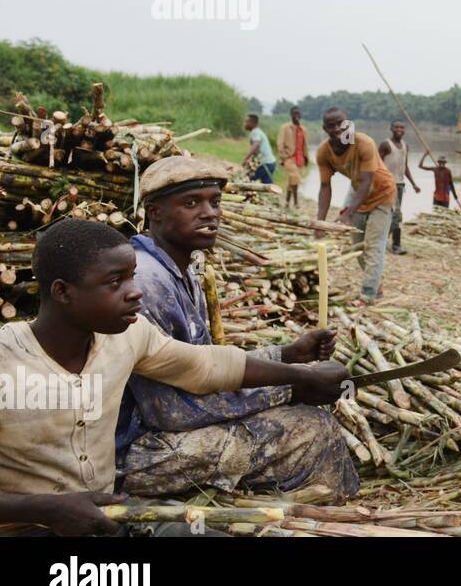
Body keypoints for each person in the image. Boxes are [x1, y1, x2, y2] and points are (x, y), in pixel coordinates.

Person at [0, 218, 350, 536]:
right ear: (63, 293)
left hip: (109, 517)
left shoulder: (127, 337)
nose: (134, 290)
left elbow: (205, 367)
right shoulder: (5, 359)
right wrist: (45, 508)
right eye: (115, 281)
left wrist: (298, 373)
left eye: (132, 275)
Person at [115, 157, 360, 501]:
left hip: (160, 431)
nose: (209, 213)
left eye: (214, 202)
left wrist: (287, 355)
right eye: (191, 203)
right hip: (134, 455)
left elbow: (208, 364)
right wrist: (292, 386)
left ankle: (292, 502)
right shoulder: (148, 283)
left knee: (303, 417)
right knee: (310, 428)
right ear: (154, 213)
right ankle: (322, 515)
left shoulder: (182, 269)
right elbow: (171, 411)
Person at [315, 107, 398, 305]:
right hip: (359, 196)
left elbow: (367, 182)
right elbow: (325, 187)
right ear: (324, 128)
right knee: (358, 247)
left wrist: (347, 213)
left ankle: (368, 294)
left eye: (340, 123)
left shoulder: (363, 143)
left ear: (348, 123)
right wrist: (319, 221)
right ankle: (376, 285)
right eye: (331, 125)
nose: (336, 129)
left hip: (383, 194)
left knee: (373, 246)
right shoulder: (323, 152)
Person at [379, 120, 422, 255]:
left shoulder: (405, 146)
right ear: (391, 128)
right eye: (396, 127)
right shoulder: (385, 145)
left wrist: (414, 184)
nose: (399, 129)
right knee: (396, 215)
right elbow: (376, 164)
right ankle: (396, 245)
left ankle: (382, 240)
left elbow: (405, 166)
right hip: (387, 185)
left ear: (405, 130)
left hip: (400, 185)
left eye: (402, 127)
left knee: (392, 214)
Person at [276, 107, 310, 210]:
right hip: (289, 158)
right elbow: (280, 143)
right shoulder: (285, 127)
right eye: (294, 114)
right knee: (295, 178)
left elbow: (305, 145)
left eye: (298, 114)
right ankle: (296, 203)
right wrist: (283, 156)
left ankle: (287, 203)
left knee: (292, 181)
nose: (296, 116)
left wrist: (306, 157)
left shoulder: (303, 129)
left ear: (301, 115)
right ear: (291, 115)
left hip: (300, 159)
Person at [243, 113, 276, 184]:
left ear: (251, 123)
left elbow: (256, 144)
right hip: (271, 162)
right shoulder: (258, 131)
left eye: (246, 122)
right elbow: (256, 151)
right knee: (267, 184)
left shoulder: (255, 132)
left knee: (248, 178)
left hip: (265, 163)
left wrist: (246, 158)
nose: (244, 124)